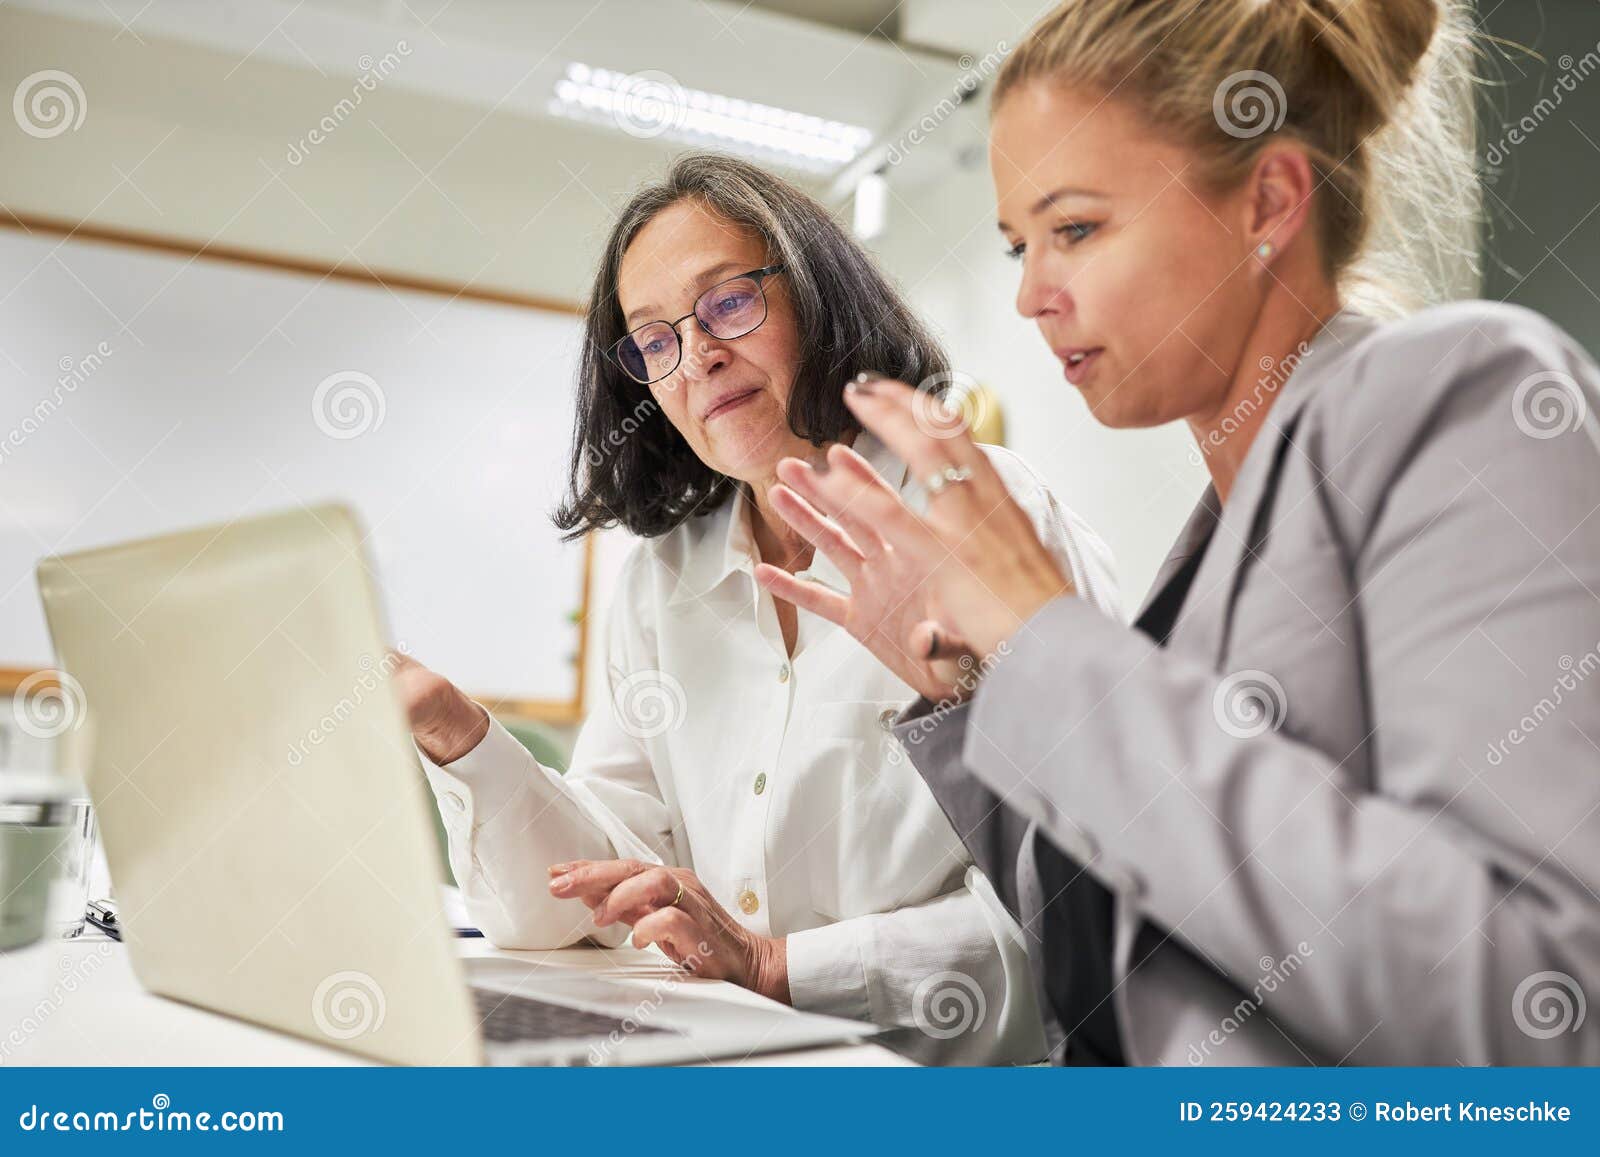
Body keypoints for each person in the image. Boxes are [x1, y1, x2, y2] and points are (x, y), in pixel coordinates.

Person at [758, 0, 1600, 1064]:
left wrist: (1050, 645)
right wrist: (978, 685)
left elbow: (1539, 1004)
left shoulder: (1468, 392)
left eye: (1074, 229)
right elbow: (1123, 953)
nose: (1028, 295)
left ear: (1267, 200)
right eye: (1020, 244)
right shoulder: (1216, 545)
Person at [394, 152, 1119, 1064]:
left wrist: (781, 965)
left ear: (818, 299)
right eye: (655, 338)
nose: (697, 355)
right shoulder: (665, 575)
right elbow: (589, 898)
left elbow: (1092, 894)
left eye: (728, 302)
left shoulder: (983, 513)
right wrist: (462, 737)